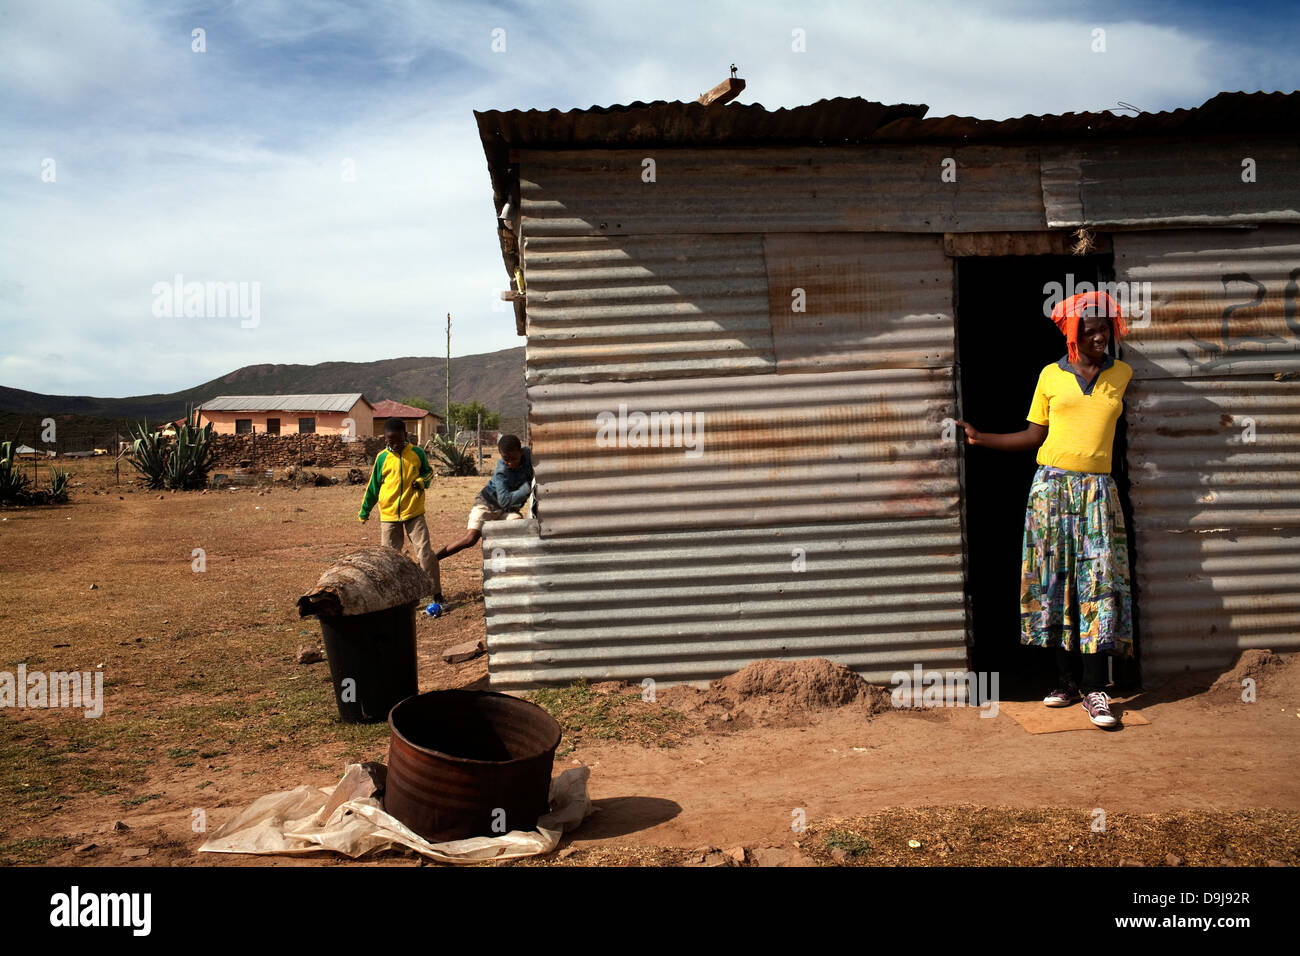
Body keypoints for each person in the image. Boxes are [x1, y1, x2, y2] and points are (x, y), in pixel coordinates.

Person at [957, 290, 1133, 729]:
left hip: (1096, 493)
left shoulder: (1123, 375)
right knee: (1057, 582)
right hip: (1051, 490)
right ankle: (1066, 682)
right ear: (1073, 335)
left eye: (1103, 330)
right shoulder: (1050, 376)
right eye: (1089, 331)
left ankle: (1096, 690)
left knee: (1097, 586)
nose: (1098, 338)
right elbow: (1034, 436)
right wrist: (983, 440)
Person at [358, 418, 442, 603]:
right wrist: (365, 511)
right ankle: (394, 598)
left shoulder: (417, 453)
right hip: (388, 515)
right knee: (388, 558)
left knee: (424, 553)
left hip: (414, 512)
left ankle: (435, 594)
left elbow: (428, 472)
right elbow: (373, 487)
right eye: (390, 440)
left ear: (405, 435)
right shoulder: (382, 458)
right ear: (385, 439)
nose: (394, 444)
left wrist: (421, 482)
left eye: (397, 439)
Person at [435, 434, 533, 560]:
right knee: (470, 539)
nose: (510, 463)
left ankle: (509, 566)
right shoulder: (501, 471)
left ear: (520, 452)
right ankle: (435, 558)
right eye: (505, 459)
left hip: (507, 511)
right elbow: (504, 501)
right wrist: (526, 489)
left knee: (518, 527)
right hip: (487, 503)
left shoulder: (529, 455)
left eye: (513, 459)